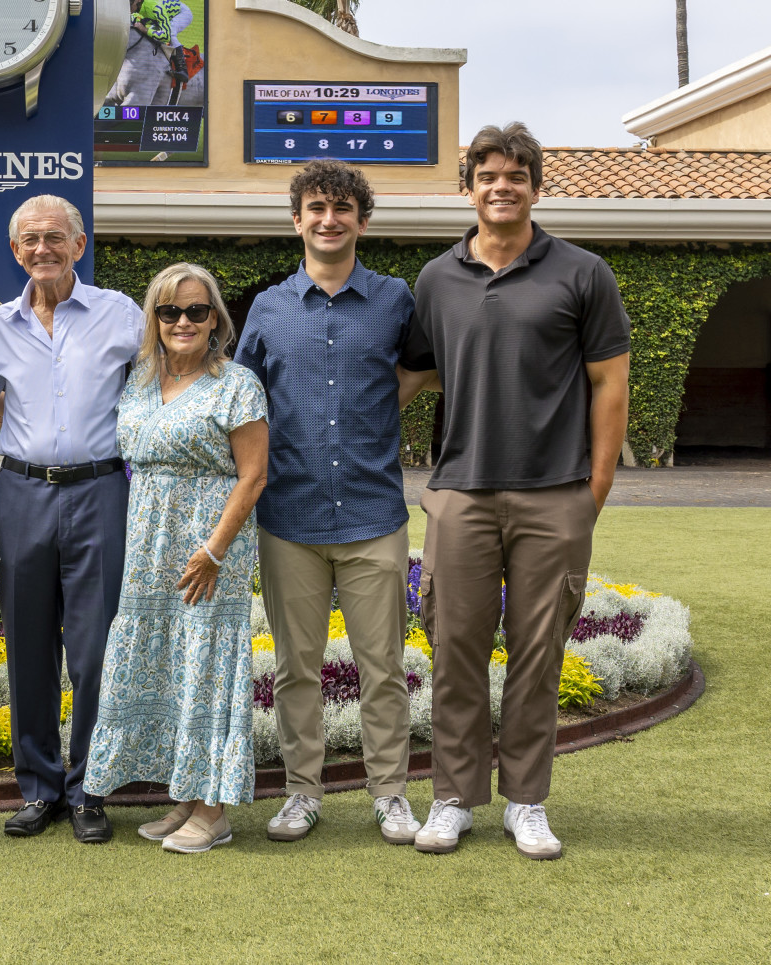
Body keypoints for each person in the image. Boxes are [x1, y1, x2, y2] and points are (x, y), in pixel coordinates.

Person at [399, 122, 631, 860]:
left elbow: (610, 384)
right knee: (454, 647)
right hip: (460, 492)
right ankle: (453, 798)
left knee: (538, 651)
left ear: (536, 186)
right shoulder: (435, 279)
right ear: (467, 187)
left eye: (516, 176)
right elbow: (413, 377)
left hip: (554, 493)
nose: (502, 186)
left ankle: (526, 800)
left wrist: (592, 489)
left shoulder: (582, 272)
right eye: (488, 175)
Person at [235, 160, 420, 846]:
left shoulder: (397, 299)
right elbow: (243, 402)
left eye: (342, 209)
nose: (328, 219)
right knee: (295, 670)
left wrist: (375, 406)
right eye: (316, 208)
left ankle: (391, 793)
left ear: (362, 220)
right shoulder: (268, 308)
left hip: (374, 515)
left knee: (383, 667)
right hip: (290, 517)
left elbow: (421, 366)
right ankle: (302, 792)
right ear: (297, 219)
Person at [0, 195, 143, 844]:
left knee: (96, 648)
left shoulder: (119, 313)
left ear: (79, 244)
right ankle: (39, 786)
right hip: (19, 491)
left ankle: (89, 788)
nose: (41, 248)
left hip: (100, 490)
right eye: (29, 240)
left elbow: (165, 372)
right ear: (15, 252)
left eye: (55, 237)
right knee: (28, 645)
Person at [82, 263, 268, 854]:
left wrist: (213, 550)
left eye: (196, 311)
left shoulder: (238, 384)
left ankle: (213, 812)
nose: (183, 321)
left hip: (210, 544)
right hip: (148, 544)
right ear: (154, 320)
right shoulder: (138, 379)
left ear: (216, 319)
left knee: (207, 663)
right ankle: (186, 797)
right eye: (169, 312)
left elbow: (254, 475)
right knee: (168, 661)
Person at [130, 0, 193, 83]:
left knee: (171, 32)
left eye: (130, 3)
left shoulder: (156, 8)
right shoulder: (138, 8)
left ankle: (182, 70)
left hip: (183, 13)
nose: (128, 7)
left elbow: (166, 36)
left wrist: (145, 30)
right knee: (153, 33)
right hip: (164, 16)